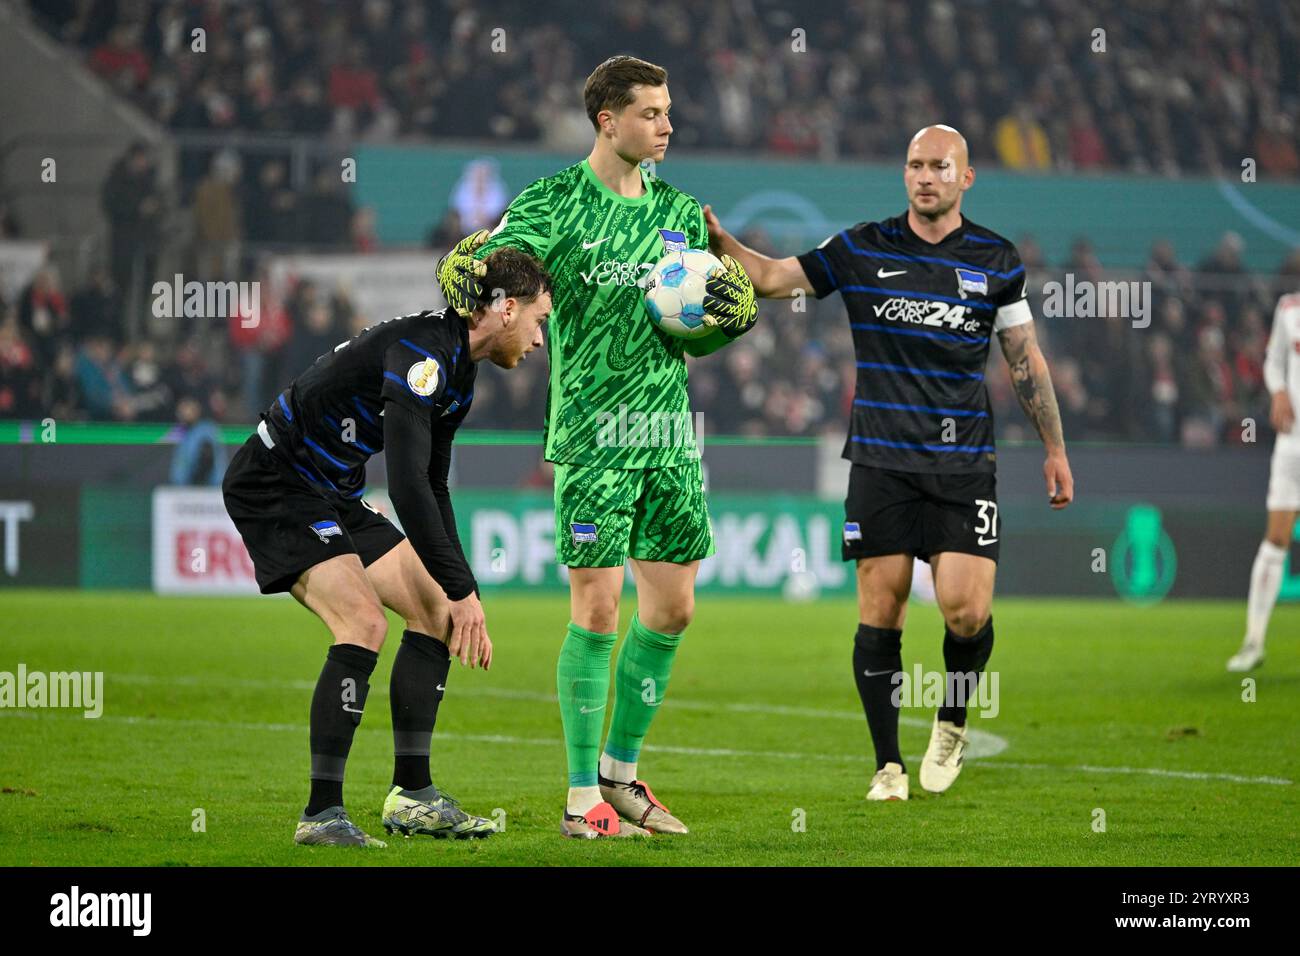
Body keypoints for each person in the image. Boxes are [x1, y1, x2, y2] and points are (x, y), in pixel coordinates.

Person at [437, 55, 759, 838]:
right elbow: (489, 285)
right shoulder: (551, 204)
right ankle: (581, 797)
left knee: (675, 610)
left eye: (669, 110)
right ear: (606, 120)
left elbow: (700, 334)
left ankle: (621, 774)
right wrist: (466, 274)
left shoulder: (679, 211)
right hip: (591, 435)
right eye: (652, 112)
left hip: (669, 437)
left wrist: (729, 315)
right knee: (598, 606)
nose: (668, 125)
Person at [706, 125, 1074, 801]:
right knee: (882, 611)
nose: (924, 176)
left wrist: (1053, 448)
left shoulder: (997, 259)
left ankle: (952, 721)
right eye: (914, 164)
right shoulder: (860, 247)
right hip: (880, 461)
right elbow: (769, 279)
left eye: (939, 165)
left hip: (963, 464)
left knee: (964, 612)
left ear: (966, 178)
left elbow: (1024, 358)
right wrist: (722, 244)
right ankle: (888, 764)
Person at [222, 247, 552, 846]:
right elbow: (403, 485)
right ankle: (321, 815)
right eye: (538, 321)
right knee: (363, 623)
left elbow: (430, 484)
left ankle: (413, 797)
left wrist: (461, 589)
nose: (538, 340)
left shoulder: (458, 371)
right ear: (505, 309)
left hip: (334, 490)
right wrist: (464, 585)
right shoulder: (423, 356)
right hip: (277, 482)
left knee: (435, 612)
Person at [1228, 290, 1300, 671]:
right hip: (1292, 444)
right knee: (1275, 541)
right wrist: (1279, 392)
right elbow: (1274, 362)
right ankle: (1253, 642)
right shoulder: (1289, 307)